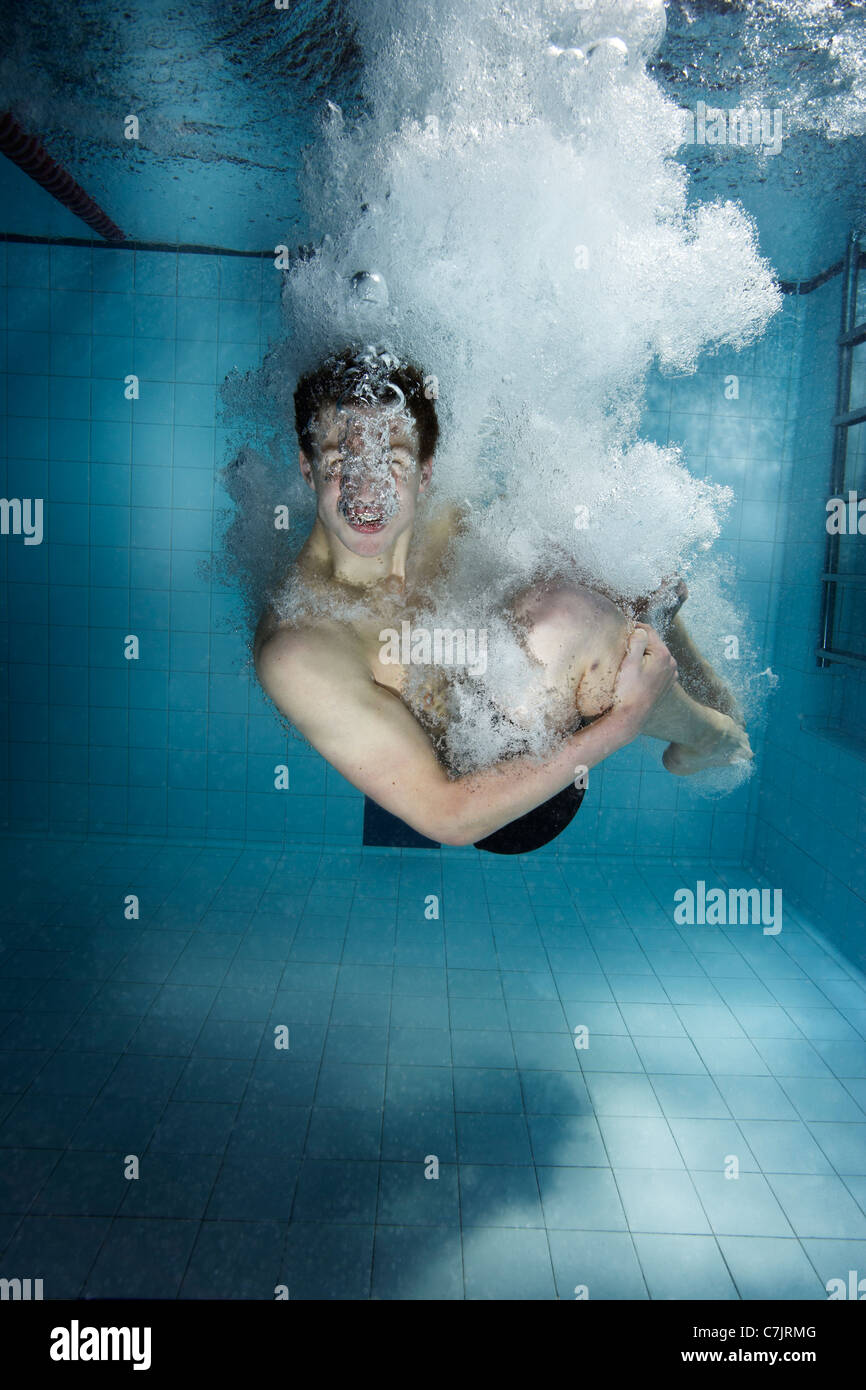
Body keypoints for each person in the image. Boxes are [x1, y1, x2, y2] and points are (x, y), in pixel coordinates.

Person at [253, 346, 752, 850]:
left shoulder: (444, 517)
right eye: (342, 460)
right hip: (506, 795)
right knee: (569, 616)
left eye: (394, 461)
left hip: (534, 694)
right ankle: (704, 734)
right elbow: (448, 817)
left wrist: (621, 578)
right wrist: (625, 723)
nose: (368, 490)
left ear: (426, 472)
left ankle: (692, 673)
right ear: (307, 467)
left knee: (598, 550)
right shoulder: (301, 645)